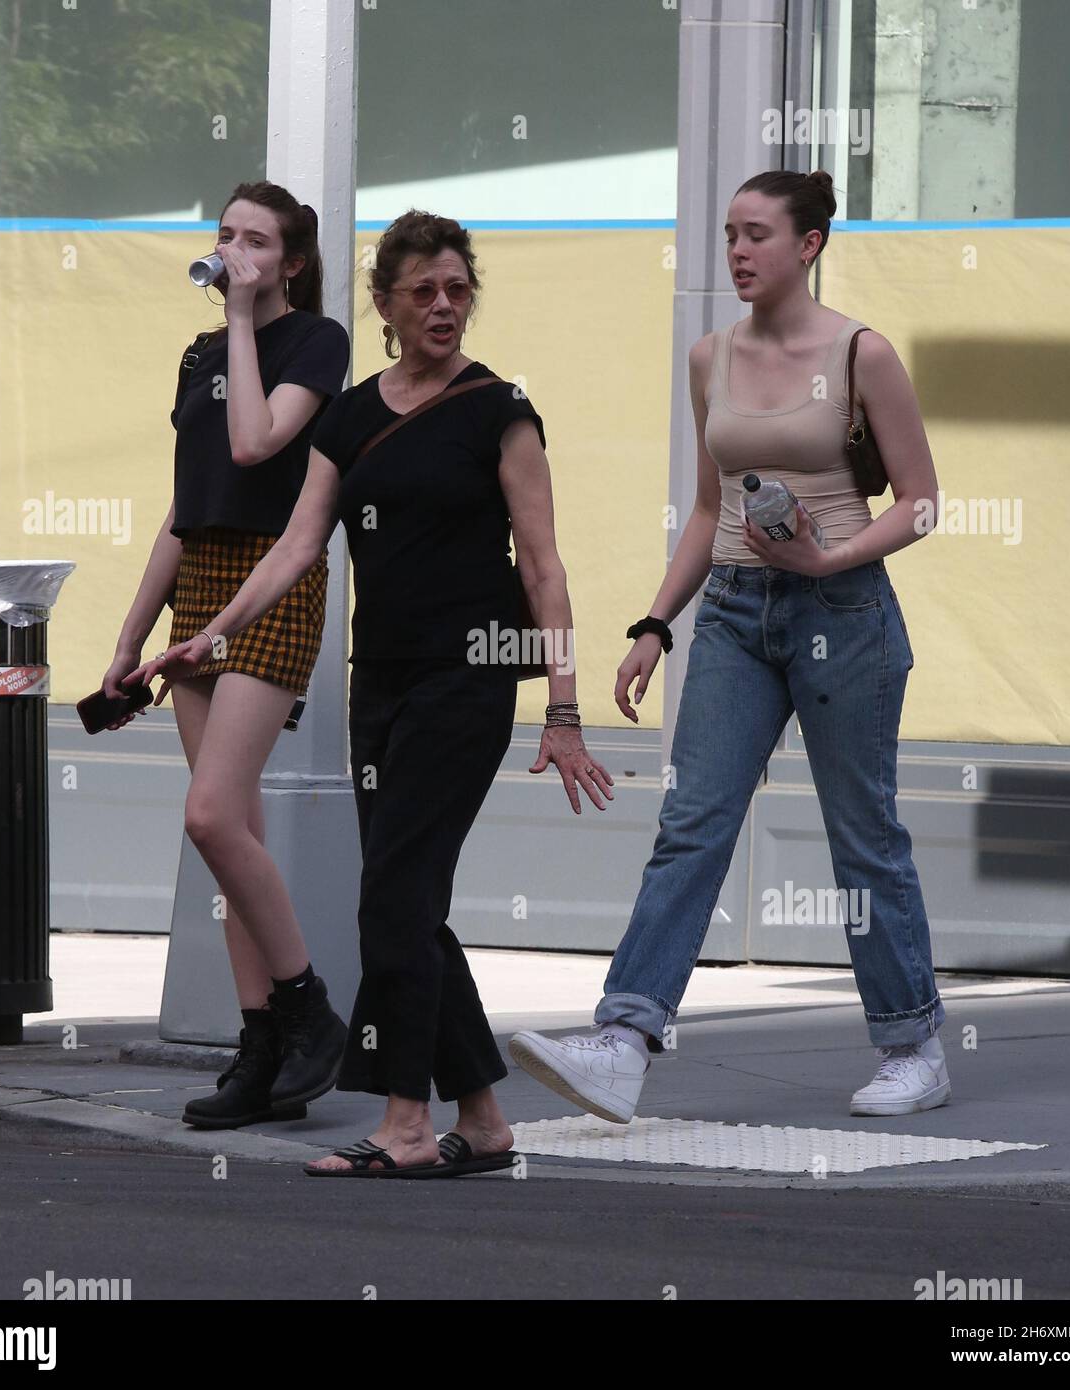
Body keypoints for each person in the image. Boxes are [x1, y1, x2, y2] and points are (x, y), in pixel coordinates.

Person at [126, 209, 613, 1177]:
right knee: (412, 901)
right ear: (385, 307)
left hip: (470, 674)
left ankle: (403, 1123)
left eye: (457, 288)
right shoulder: (349, 415)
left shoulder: (497, 409)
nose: (444, 305)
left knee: (389, 897)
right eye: (422, 292)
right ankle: (481, 1119)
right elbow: (299, 546)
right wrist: (210, 633)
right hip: (379, 680)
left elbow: (546, 568)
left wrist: (563, 706)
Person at [510, 169, 949, 1123]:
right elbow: (713, 508)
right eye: (728, 235)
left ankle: (912, 1044)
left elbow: (919, 500)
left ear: (809, 245)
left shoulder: (860, 354)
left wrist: (830, 558)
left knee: (862, 834)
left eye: (756, 234)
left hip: (844, 618)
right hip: (737, 616)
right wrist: (656, 623)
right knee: (692, 821)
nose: (738, 252)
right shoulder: (710, 356)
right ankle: (624, 1039)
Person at [105, 180, 351, 1130]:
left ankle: (307, 1006)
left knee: (208, 814)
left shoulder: (310, 342)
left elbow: (254, 445)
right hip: (200, 578)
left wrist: (246, 319)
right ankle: (263, 1053)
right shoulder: (199, 353)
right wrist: (131, 632)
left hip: (272, 578)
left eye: (256, 242)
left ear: (290, 262)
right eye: (224, 236)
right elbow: (187, 501)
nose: (233, 253)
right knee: (230, 830)